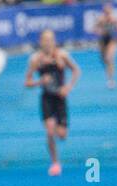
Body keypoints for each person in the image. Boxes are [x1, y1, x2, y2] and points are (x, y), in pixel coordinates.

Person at [25, 30, 81, 176]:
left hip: (60, 98)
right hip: (46, 98)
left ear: (54, 41)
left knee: (62, 135)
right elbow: (27, 82)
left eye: (50, 40)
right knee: (49, 131)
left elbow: (76, 70)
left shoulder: (62, 55)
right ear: (40, 41)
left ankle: (58, 128)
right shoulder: (36, 59)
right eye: (44, 40)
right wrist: (40, 81)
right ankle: (55, 163)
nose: (47, 43)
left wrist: (68, 87)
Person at [96, 4, 117, 89]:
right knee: (103, 59)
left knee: (109, 59)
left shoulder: (114, 19)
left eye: (108, 12)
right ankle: (109, 73)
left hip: (112, 41)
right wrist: (100, 31)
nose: (107, 14)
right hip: (102, 41)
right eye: (105, 12)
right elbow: (95, 29)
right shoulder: (101, 19)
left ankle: (111, 80)